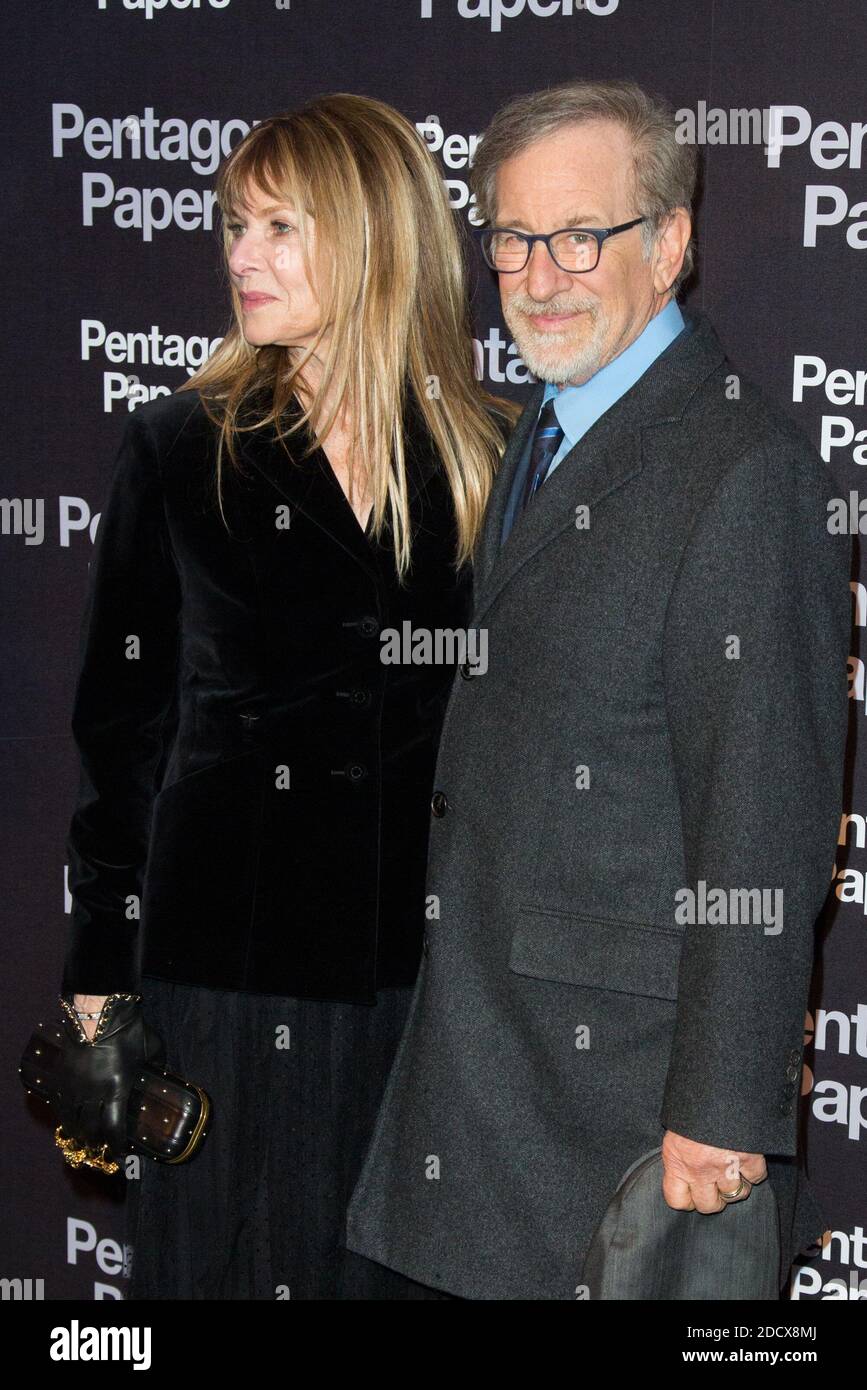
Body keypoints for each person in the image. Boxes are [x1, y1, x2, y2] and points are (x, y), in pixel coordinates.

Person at [345, 78, 852, 1299]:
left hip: (620, 1111)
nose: (539, 273)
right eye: (514, 237)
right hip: (482, 1063)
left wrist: (723, 1111)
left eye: (582, 235)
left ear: (670, 243)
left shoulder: (744, 474)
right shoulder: (549, 424)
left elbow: (767, 812)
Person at [60, 92, 517, 1300]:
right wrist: (100, 973)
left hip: (423, 982)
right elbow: (123, 732)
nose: (240, 258)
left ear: (373, 237)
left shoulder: (486, 456)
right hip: (230, 967)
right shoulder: (182, 448)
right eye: (233, 225)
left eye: (279, 227)